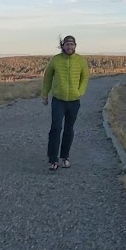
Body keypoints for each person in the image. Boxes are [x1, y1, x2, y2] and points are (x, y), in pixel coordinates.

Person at [41, 34, 90, 171]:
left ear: (75, 46)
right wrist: (44, 95)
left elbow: (85, 77)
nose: (70, 46)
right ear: (63, 46)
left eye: (72, 44)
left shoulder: (80, 60)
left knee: (69, 129)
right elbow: (47, 77)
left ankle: (65, 157)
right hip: (58, 100)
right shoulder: (56, 60)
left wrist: (80, 92)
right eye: (67, 44)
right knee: (56, 128)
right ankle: (53, 160)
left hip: (74, 101)